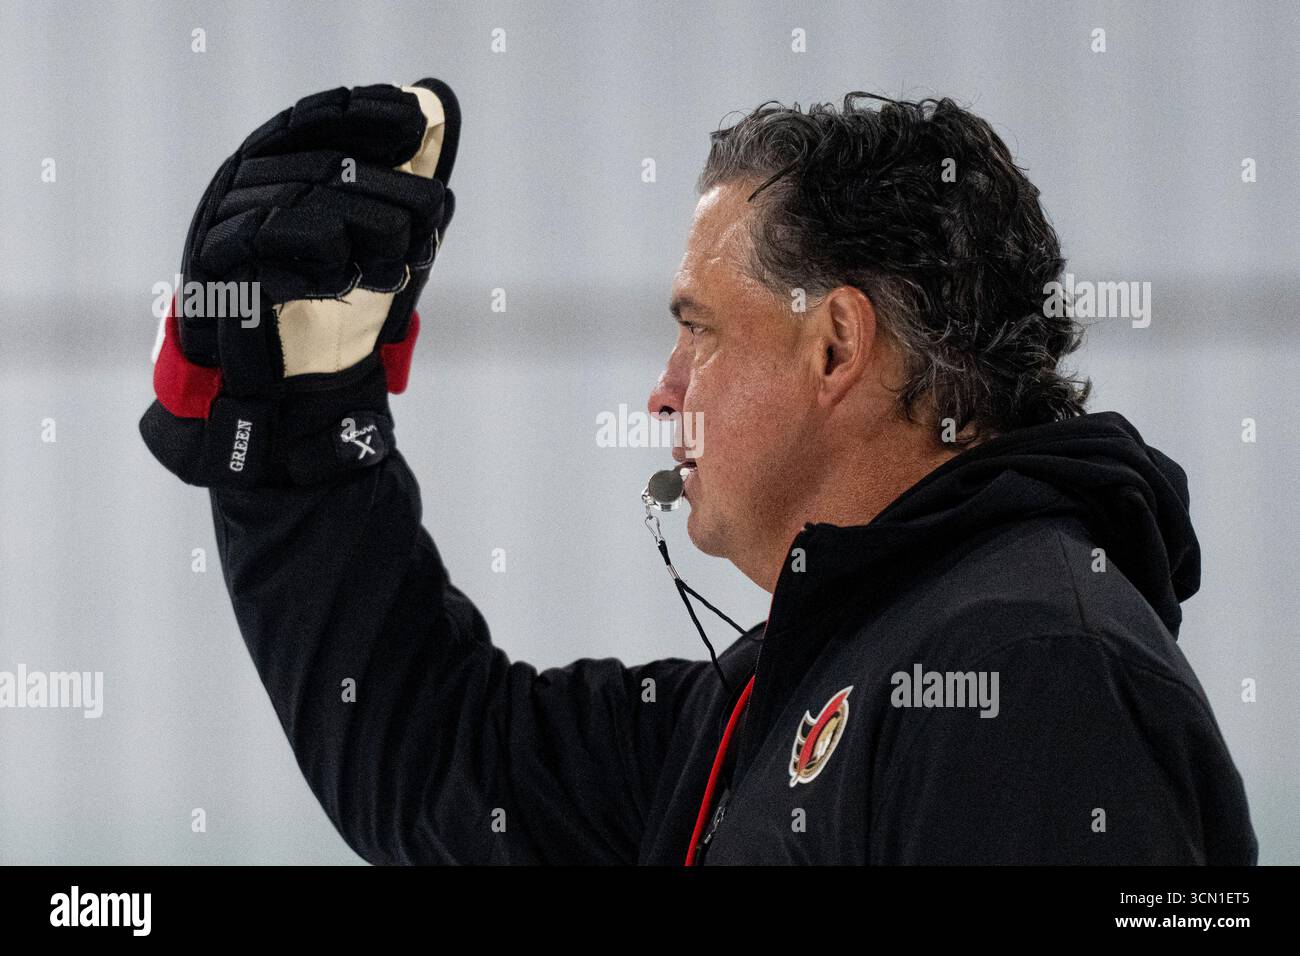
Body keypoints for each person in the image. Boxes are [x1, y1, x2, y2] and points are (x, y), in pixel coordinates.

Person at [139, 78, 1258, 865]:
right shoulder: (785, 698)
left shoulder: (1030, 669)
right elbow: (434, 752)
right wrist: (299, 424)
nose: (662, 393)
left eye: (701, 331)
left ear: (835, 346)